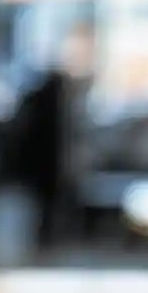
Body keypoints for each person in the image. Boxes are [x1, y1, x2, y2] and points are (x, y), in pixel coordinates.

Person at [16, 23, 95, 245]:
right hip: (48, 160)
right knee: (47, 204)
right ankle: (48, 238)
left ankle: (55, 236)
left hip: (59, 160)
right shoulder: (49, 92)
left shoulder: (71, 90)